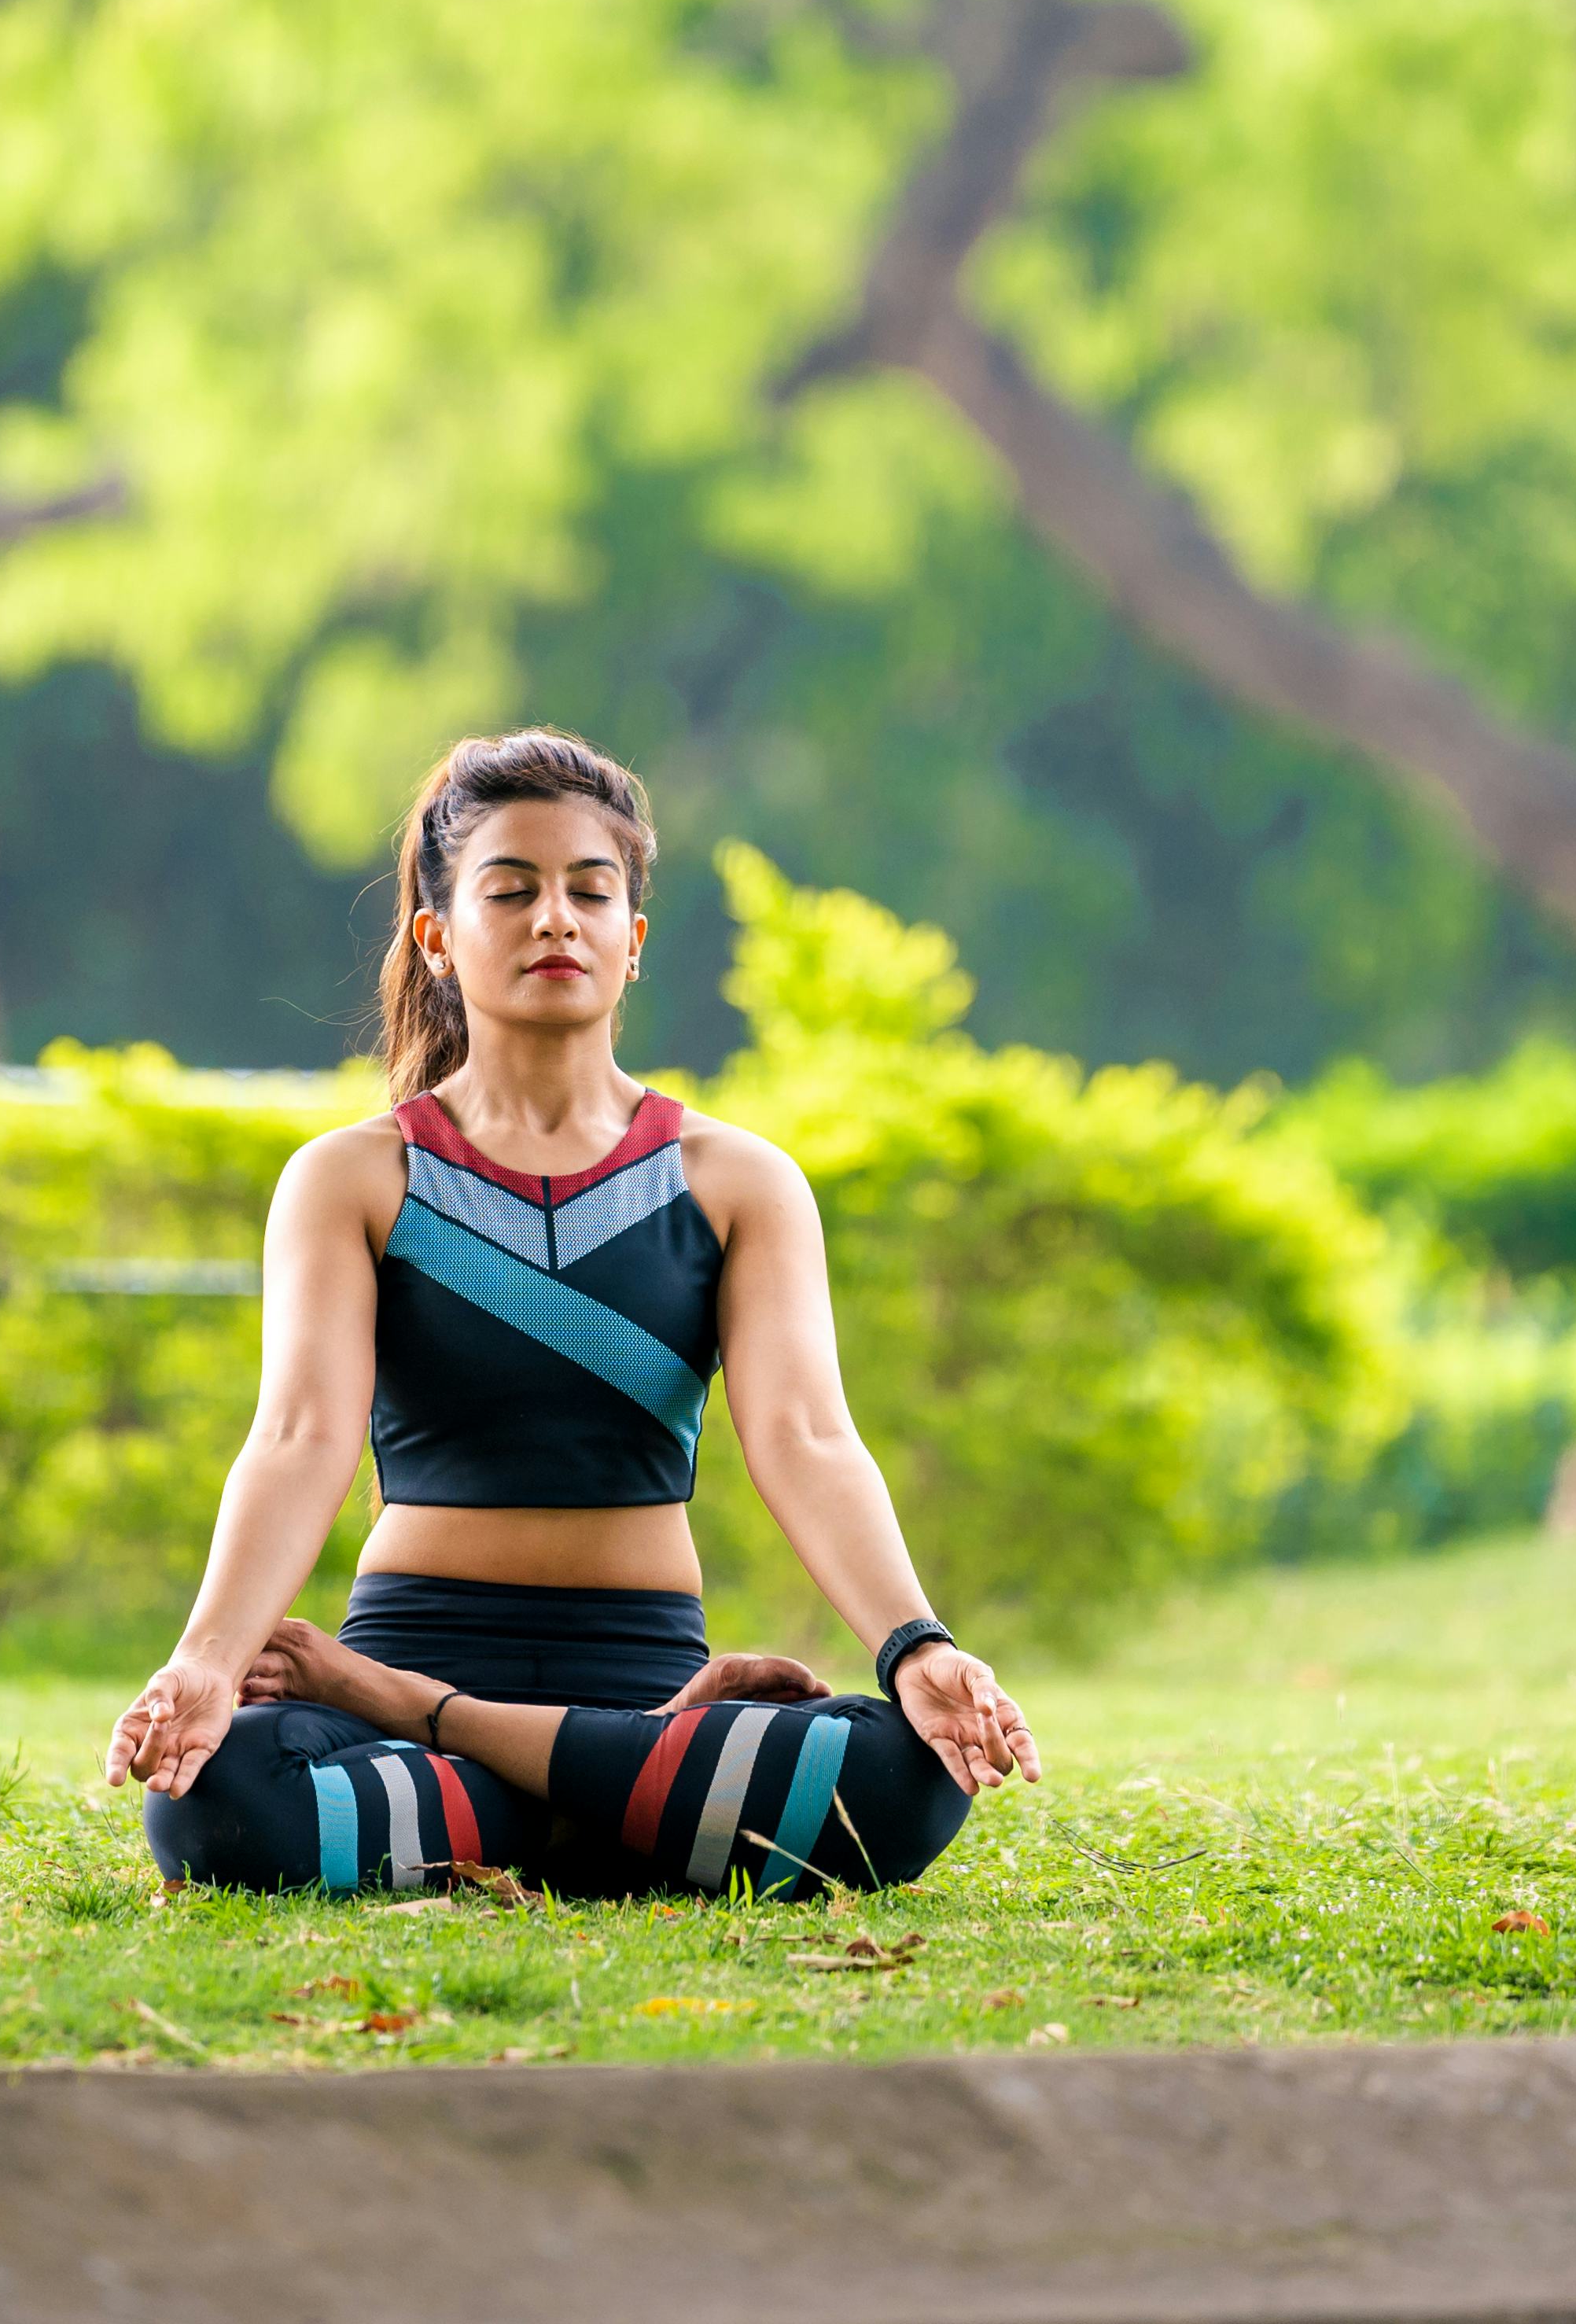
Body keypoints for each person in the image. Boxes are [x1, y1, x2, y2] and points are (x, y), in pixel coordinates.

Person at [109, 727, 1041, 1902]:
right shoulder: (357, 1179)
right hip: (425, 1633)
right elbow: (298, 1439)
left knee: (913, 1774)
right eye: (512, 891)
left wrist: (919, 1646)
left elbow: (807, 1439)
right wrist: (208, 1657)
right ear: (438, 939)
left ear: (633, 942)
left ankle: (490, 1770)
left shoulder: (735, 1182)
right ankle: (629, 1800)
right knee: (220, 1803)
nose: (557, 919)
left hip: (620, 1667)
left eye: (590, 892)